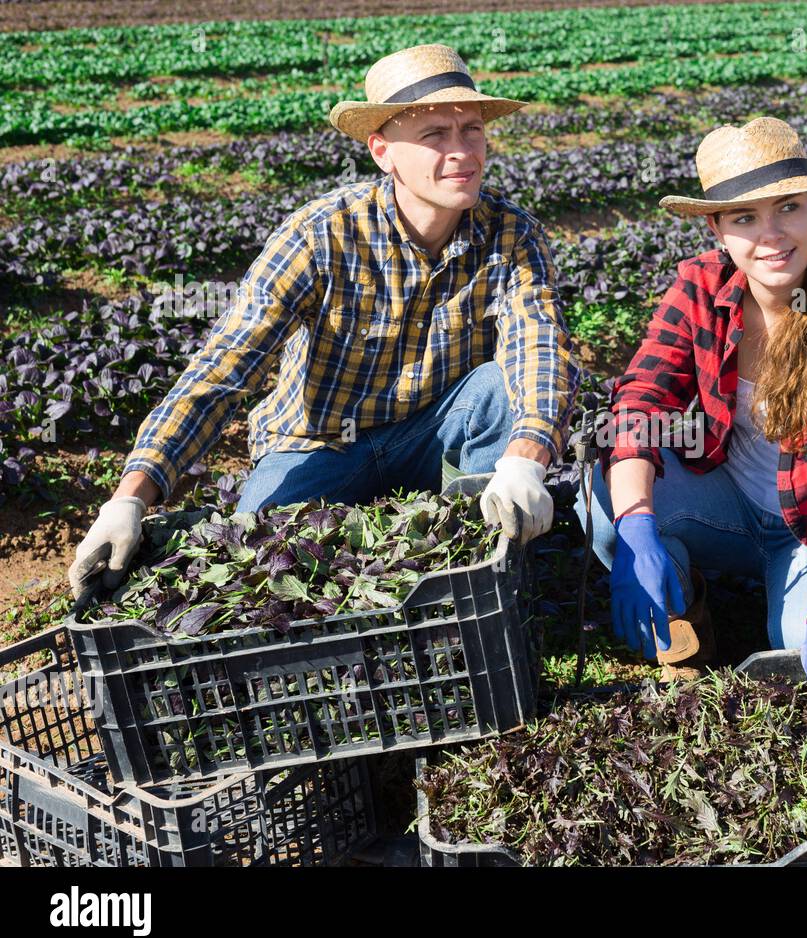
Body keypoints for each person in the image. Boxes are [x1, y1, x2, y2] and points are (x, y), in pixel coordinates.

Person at [68, 44, 581, 601]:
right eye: (435, 134)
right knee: (258, 561)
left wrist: (526, 459)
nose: (462, 152)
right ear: (383, 152)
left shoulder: (511, 233)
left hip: (431, 437)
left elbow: (540, 346)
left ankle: (483, 582)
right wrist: (131, 497)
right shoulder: (320, 234)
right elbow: (223, 369)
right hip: (319, 446)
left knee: (497, 388)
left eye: (472, 130)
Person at [576, 117, 807, 726]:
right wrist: (637, 528)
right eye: (745, 218)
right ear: (718, 229)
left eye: (788, 207)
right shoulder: (701, 287)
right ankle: (689, 604)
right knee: (605, 500)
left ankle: (801, 611)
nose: (772, 235)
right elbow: (638, 401)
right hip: (721, 502)